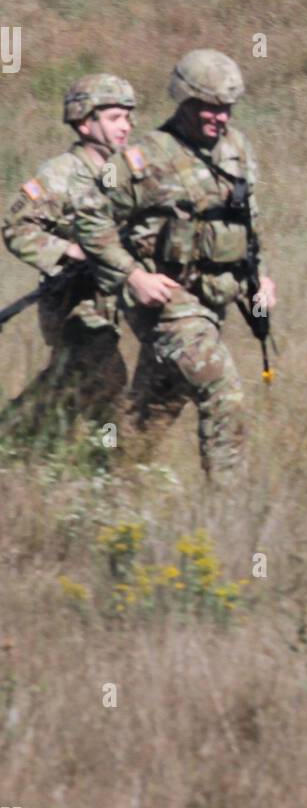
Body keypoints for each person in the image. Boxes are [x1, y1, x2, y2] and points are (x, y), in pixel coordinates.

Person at [73, 50, 276, 484]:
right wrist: (134, 275)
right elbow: (89, 218)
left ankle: (104, 489)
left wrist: (260, 279)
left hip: (214, 298)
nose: (218, 118)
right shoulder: (143, 160)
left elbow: (248, 222)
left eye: (226, 109)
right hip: (168, 305)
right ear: (183, 100)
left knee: (154, 411)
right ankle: (230, 511)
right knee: (224, 392)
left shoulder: (237, 150)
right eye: (208, 107)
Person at [1, 75, 135, 442]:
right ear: (84, 121)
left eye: (127, 117)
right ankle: (108, 466)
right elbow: (15, 226)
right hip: (73, 303)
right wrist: (67, 251)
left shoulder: (123, 173)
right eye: (113, 118)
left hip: (111, 302)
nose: (125, 126)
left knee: (68, 385)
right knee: (106, 381)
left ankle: (15, 442)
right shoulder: (60, 173)